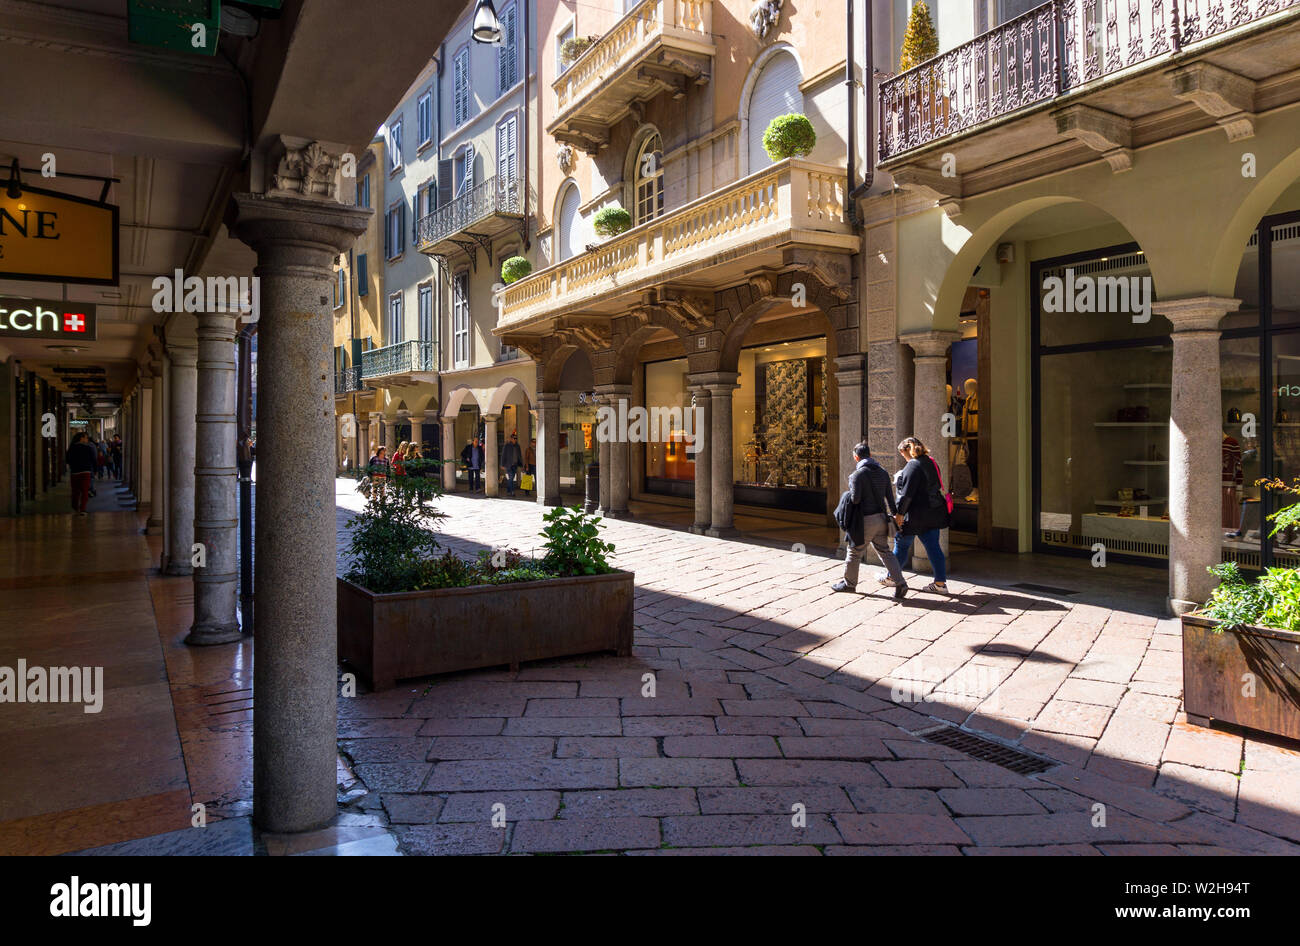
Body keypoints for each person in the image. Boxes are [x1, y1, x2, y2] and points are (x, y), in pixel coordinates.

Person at [832, 441, 907, 599]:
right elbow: (890, 499)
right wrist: (895, 516)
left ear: (856, 457)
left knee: (854, 552)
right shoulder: (883, 472)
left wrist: (848, 492)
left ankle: (849, 584)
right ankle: (901, 583)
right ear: (870, 455)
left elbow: (856, 499)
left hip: (865, 520)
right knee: (885, 552)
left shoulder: (856, 475)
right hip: (881, 518)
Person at [891, 436, 951, 595]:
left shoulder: (912, 466)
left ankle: (892, 576)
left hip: (915, 515)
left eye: (902, 454)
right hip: (933, 512)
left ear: (906, 450)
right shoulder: (931, 461)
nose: (902, 457)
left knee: (901, 545)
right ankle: (940, 583)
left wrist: (899, 514)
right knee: (934, 547)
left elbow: (907, 495)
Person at [66, 432, 97, 516]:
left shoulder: (71, 448)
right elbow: (94, 460)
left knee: (75, 491)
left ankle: (75, 506)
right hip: (85, 472)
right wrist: (95, 470)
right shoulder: (88, 448)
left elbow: (67, 460)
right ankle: (82, 509)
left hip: (74, 472)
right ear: (81, 438)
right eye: (86, 438)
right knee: (85, 491)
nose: (87, 440)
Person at [501, 431, 523, 497]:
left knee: (511, 478)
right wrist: (502, 464)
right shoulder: (507, 446)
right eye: (514, 438)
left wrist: (521, 464)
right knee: (511, 478)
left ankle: (508, 490)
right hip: (508, 465)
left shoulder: (517, 446)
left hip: (515, 465)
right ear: (511, 439)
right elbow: (503, 455)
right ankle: (512, 492)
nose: (515, 440)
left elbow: (519, 455)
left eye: (516, 439)